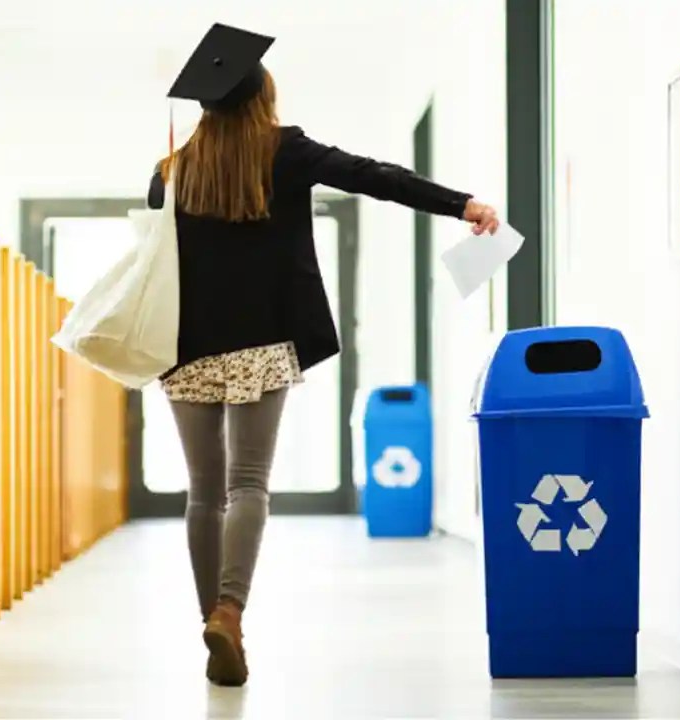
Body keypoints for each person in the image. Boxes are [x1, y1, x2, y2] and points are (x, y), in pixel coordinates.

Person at [148, 23, 499, 687]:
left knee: (204, 493)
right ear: (262, 99)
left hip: (186, 347)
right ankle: (229, 611)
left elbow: (156, 249)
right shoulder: (287, 151)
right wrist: (462, 204)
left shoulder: (174, 169)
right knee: (247, 484)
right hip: (263, 345)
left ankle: (211, 622)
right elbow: (375, 177)